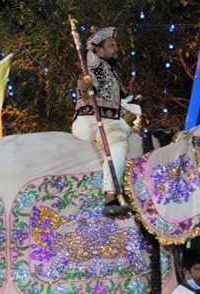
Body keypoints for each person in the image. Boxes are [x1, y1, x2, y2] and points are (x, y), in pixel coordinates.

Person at [71, 26, 142, 217]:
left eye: (115, 45)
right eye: (111, 45)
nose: (116, 48)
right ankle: (111, 197)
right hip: (97, 119)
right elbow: (87, 84)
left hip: (103, 118)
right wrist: (84, 85)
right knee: (119, 144)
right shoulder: (96, 65)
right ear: (99, 51)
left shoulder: (110, 71)